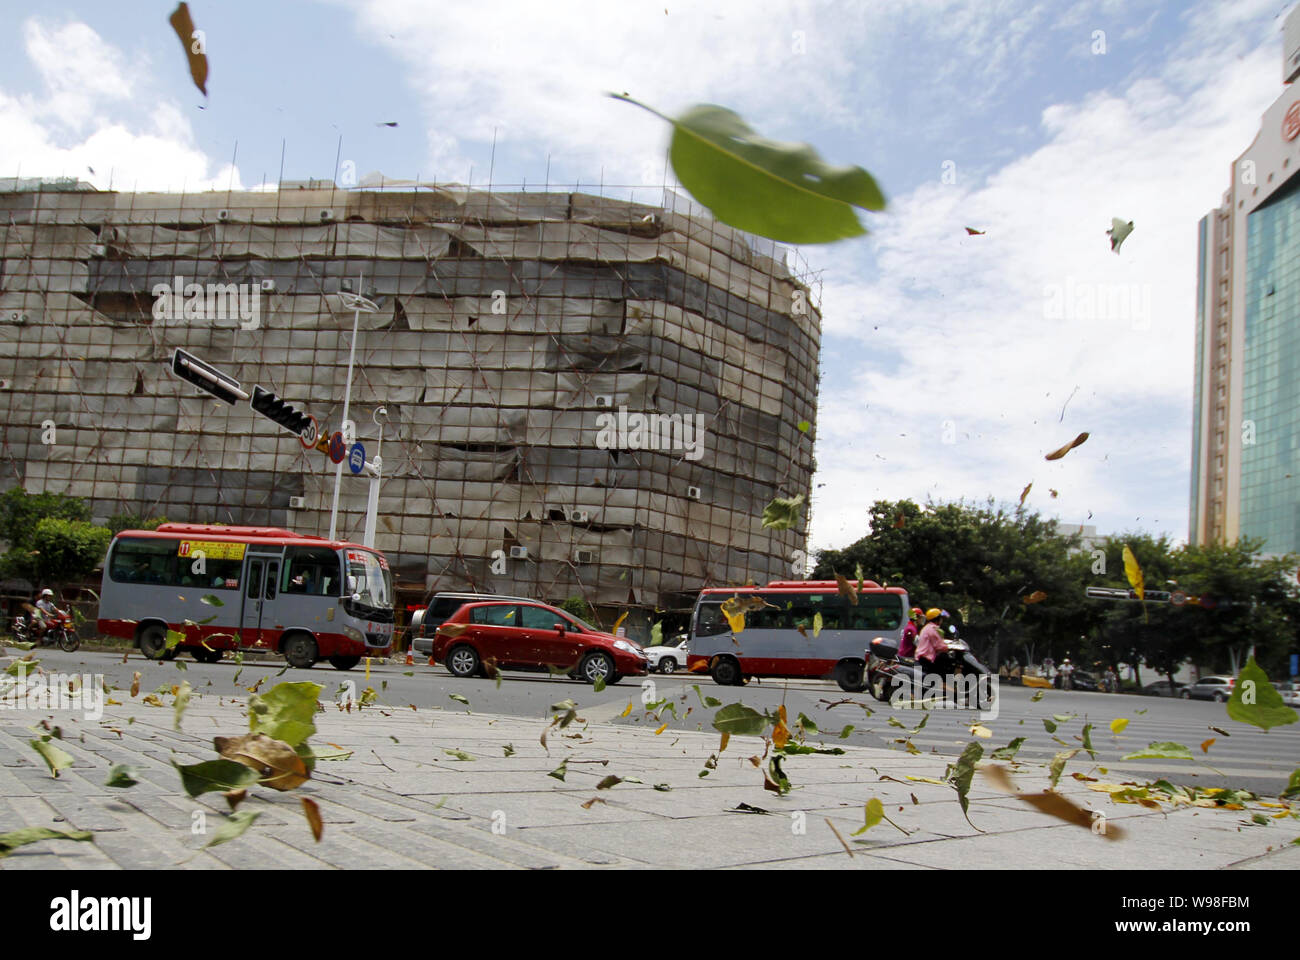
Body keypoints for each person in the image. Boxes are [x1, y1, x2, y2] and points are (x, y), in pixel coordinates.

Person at [916, 607, 950, 676]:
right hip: (926, 658)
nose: (942, 620)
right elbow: (939, 646)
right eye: (941, 618)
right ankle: (944, 683)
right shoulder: (932, 629)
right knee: (946, 661)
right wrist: (948, 648)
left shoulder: (928, 627)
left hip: (922, 657)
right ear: (937, 619)